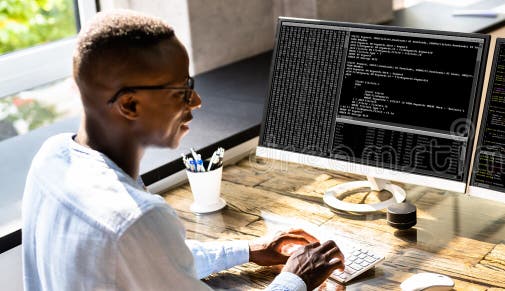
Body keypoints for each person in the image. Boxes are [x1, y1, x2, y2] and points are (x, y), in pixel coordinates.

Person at [21, 10, 343, 290]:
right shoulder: (136, 219)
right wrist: (296, 277)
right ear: (130, 104)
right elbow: (142, 242)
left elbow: (153, 261)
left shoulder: (50, 159)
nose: (197, 101)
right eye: (182, 90)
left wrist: (249, 249)